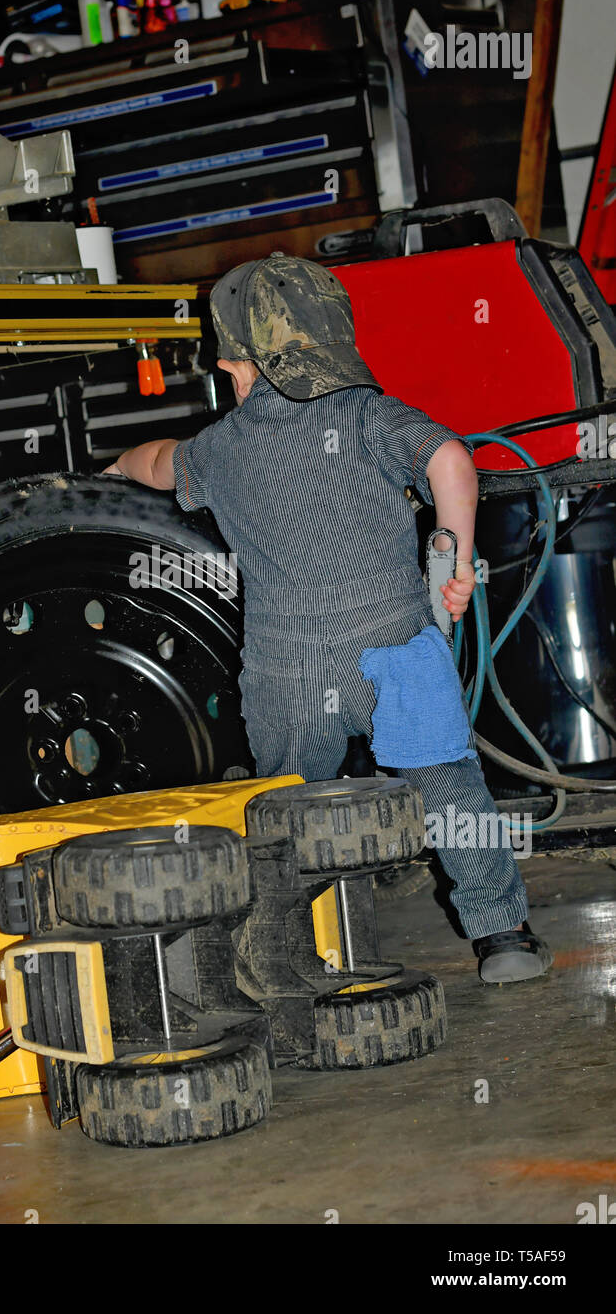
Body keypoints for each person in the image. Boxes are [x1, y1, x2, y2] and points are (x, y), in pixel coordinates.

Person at [103, 251, 552, 984]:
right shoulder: (369, 416)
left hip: (287, 672)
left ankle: (276, 953)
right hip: (394, 652)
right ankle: (502, 936)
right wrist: (453, 559)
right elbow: (449, 460)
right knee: (448, 788)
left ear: (235, 371)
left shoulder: (221, 449)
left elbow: (159, 461)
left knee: (283, 810)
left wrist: (117, 467)